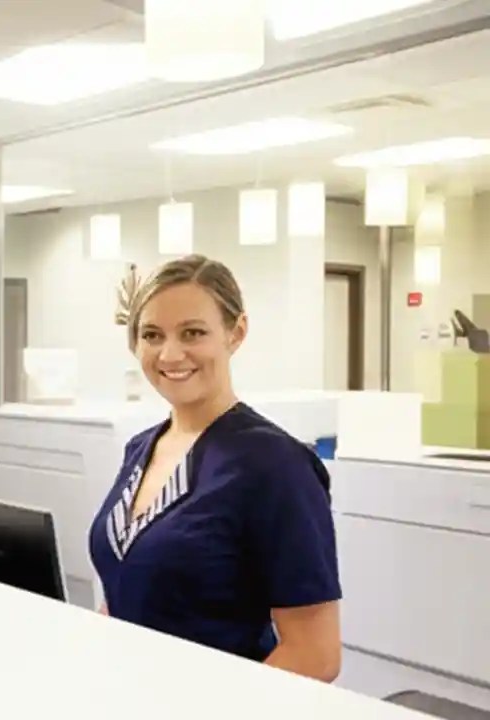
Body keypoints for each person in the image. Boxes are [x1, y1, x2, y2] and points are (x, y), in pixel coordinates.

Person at [87, 254, 342, 682]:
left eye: (192, 333)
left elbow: (315, 656)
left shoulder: (276, 465)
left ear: (235, 332)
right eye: (152, 334)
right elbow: (128, 589)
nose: (170, 353)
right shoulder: (141, 448)